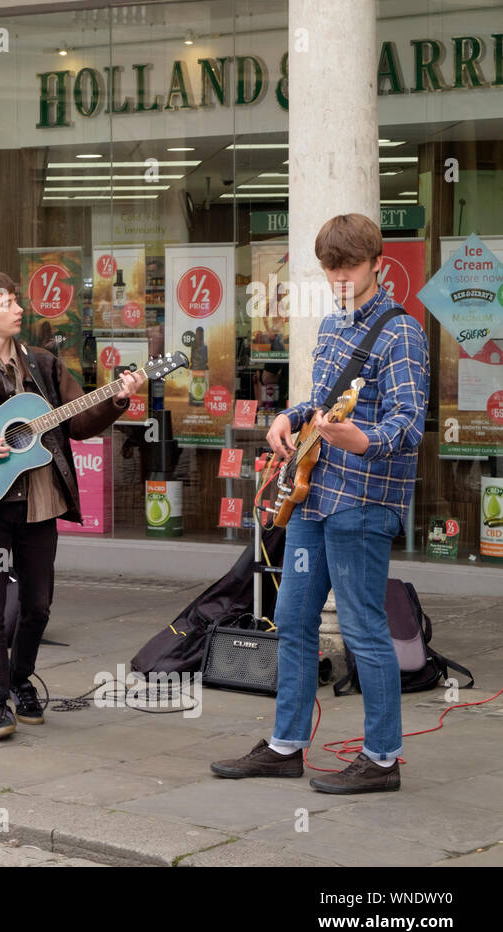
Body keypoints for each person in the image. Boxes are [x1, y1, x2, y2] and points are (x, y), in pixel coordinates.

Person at [212, 214, 429, 794]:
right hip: (312, 496)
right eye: (330, 268)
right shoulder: (333, 326)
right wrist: (289, 416)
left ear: (378, 263)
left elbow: (409, 424)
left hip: (362, 501)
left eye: (349, 267)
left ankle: (382, 758)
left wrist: (365, 440)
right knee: (292, 621)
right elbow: (320, 401)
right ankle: (286, 746)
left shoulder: (401, 333)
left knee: (363, 629)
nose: (338, 278)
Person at [0, 271, 147, 740]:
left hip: (40, 501)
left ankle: (21, 680)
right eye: (6, 301)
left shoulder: (45, 364)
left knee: (37, 605)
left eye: (16, 299)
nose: (18, 307)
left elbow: (76, 425)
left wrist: (116, 400)